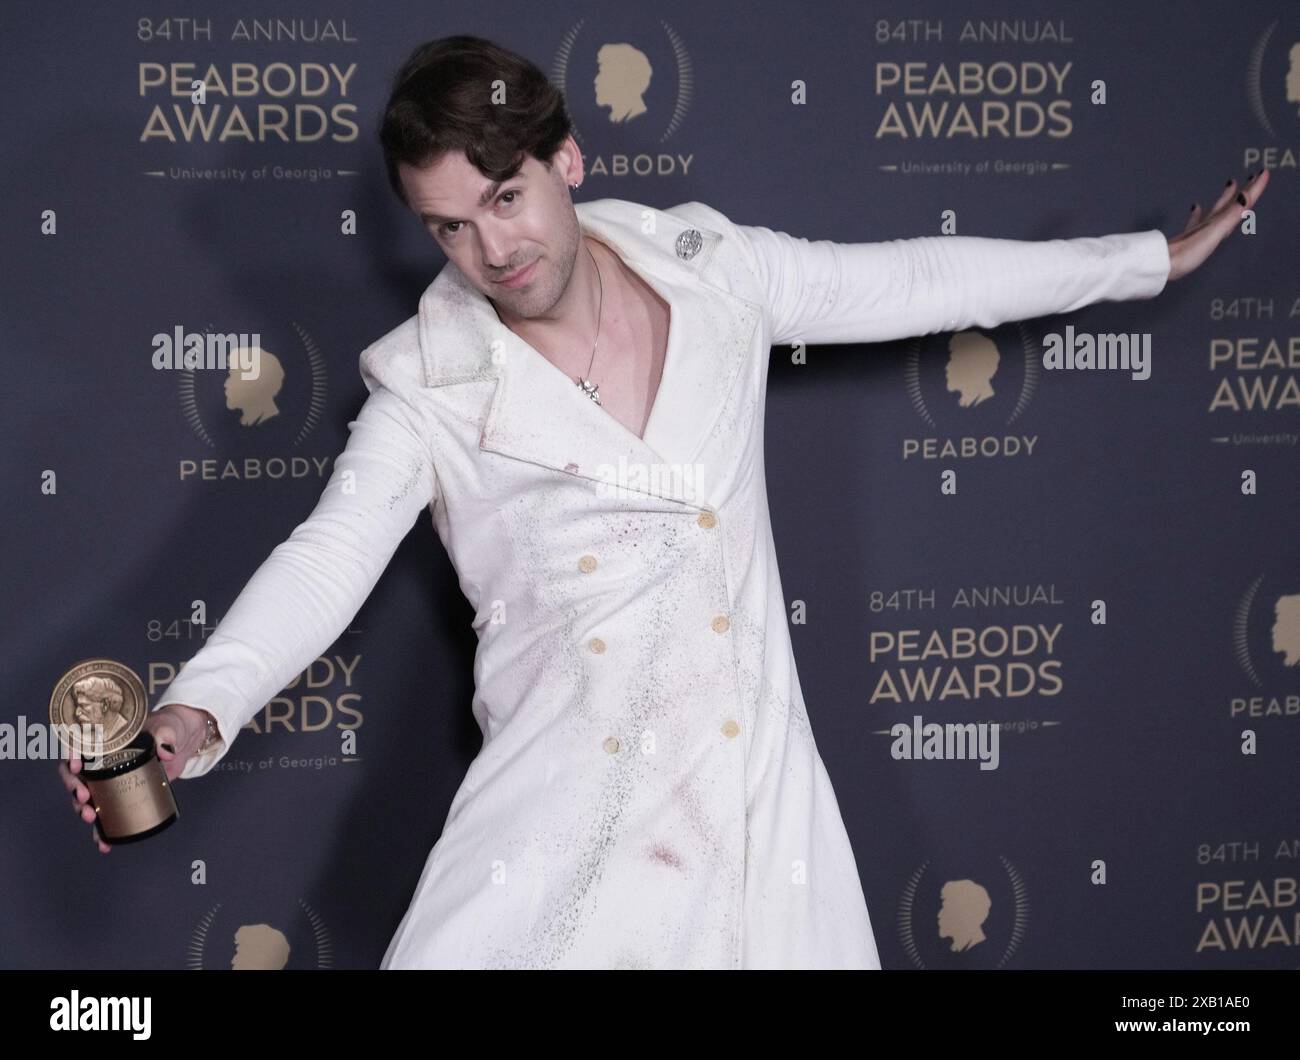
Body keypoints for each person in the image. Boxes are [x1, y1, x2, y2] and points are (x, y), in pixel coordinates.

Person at [59, 34, 1269, 966]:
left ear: (565, 161)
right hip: (563, 849)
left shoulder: (720, 274)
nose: (493, 251)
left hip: (756, 828)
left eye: (506, 198)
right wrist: (196, 713)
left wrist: (1145, 263)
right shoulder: (424, 391)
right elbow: (327, 557)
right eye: (449, 228)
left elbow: (917, 277)